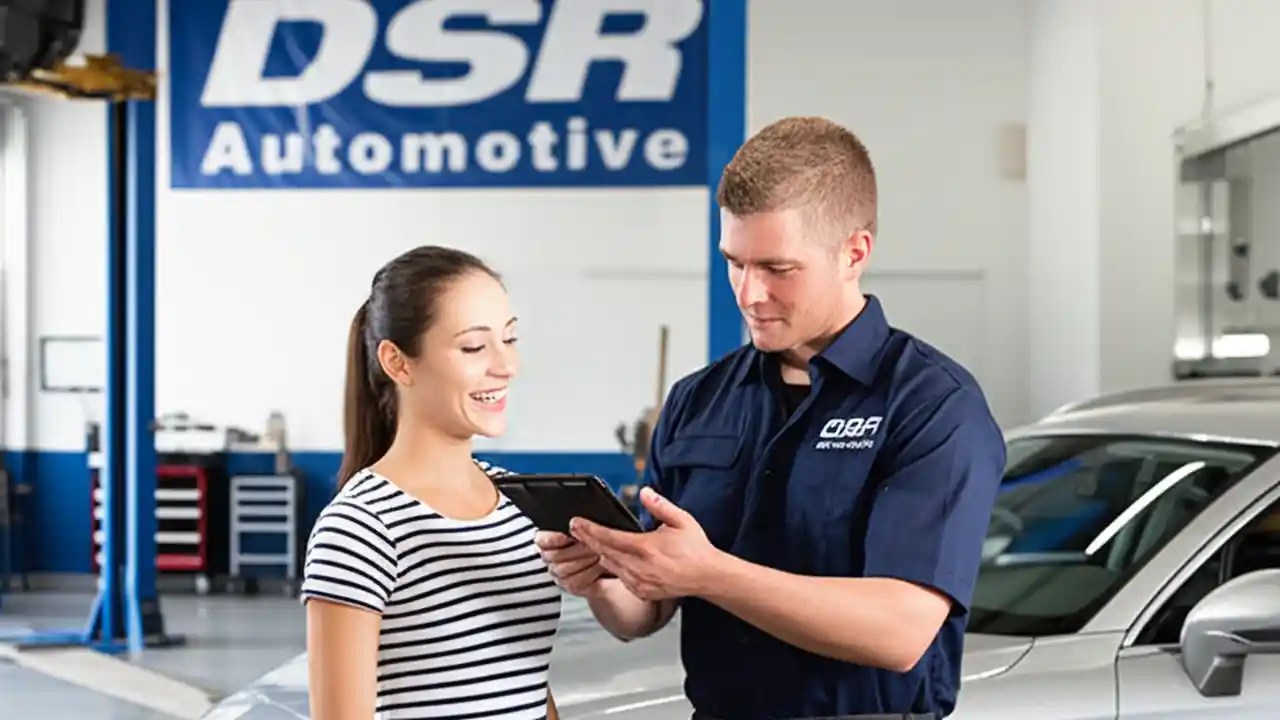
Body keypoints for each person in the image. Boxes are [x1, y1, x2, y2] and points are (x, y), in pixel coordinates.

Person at [536, 117, 1006, 719]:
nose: (749, 293)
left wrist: (711, 575)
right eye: (735, 262)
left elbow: (900, 631)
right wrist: (602, 578)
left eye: (778, 269)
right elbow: (643, 613)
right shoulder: (698, 400)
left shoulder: (932, 407)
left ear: (854, 253)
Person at [301, 246, 562, 720]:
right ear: (398, 363)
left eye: (510, 339)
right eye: (473, 347)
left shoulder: (520, 503)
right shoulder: (360, 527)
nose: (507, 366)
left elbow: (524, 688)